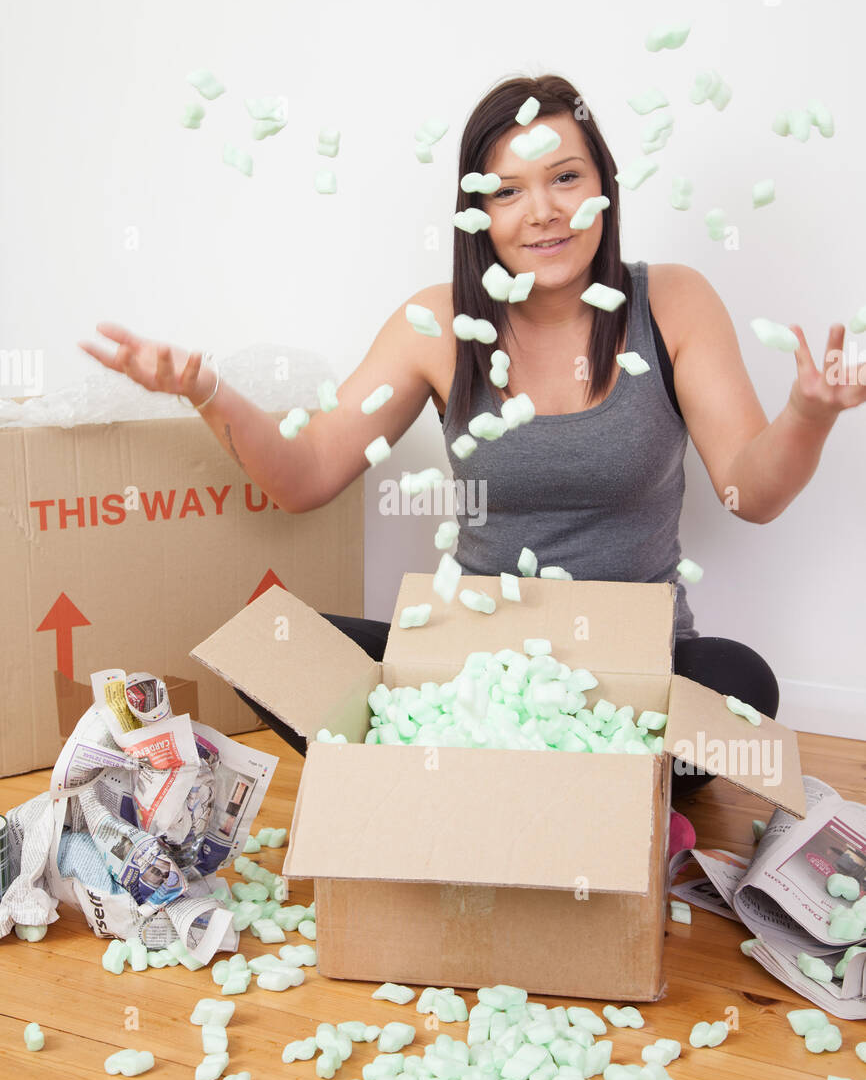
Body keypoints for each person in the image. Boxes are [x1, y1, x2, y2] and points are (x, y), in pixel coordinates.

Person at [80, 74, 863, 853]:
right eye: (508, 190)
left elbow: (750, 493)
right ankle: (589, 801)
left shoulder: (672, 302)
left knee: (742, 687)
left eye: (565, 178)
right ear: (476, 211)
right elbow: (303, 476)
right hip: (475, 676)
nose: (543, 211)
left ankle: (484, 793)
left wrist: (809, 413)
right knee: (276, 644)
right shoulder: (437, 325)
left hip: (636, 677)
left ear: (604, 188)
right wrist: (206, 388)